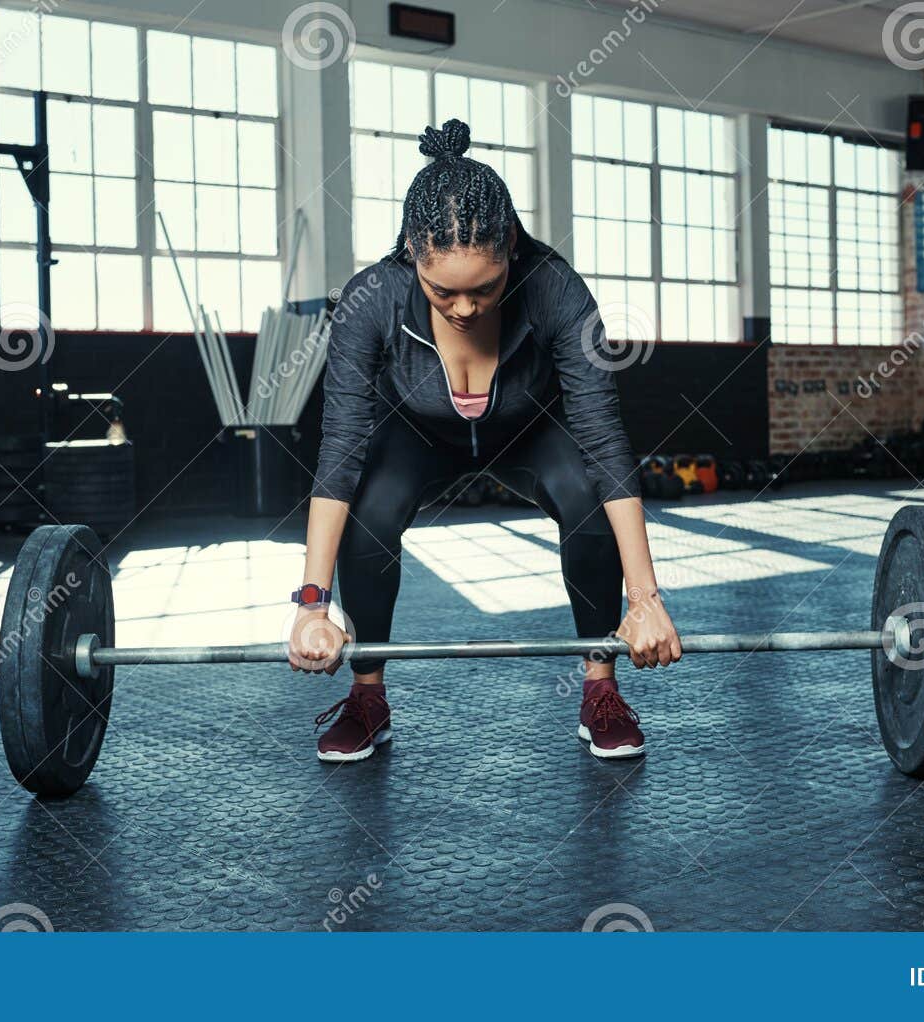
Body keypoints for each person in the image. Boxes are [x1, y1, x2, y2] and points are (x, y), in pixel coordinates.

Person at [289, 118, 681, 763]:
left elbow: (605, 442)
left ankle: (599, 687)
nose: (466, 309)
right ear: (412, 251)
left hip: (530, 431)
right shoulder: (370, 300)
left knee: (586, 497)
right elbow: (340, 452)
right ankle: (368, 696)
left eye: (486, 288)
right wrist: (311, 605)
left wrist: (645, 599)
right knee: (370, 514)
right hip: (416, 434)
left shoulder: (557, 290)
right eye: (443, 290)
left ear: (511, 252)